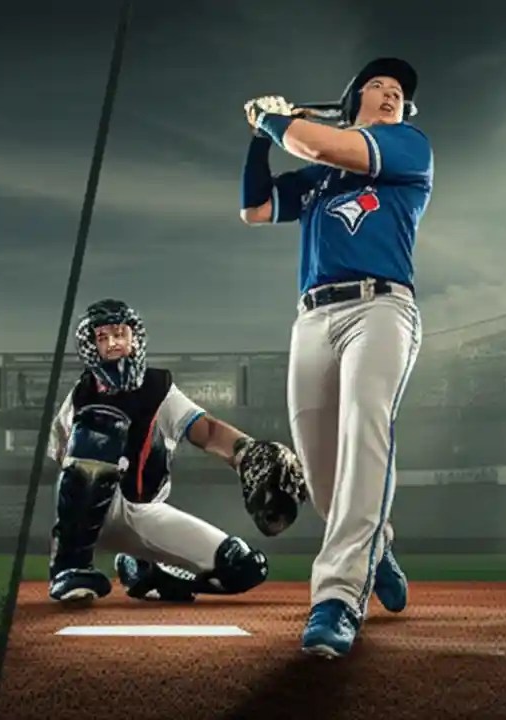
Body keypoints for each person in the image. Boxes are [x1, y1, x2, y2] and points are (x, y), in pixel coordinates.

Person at [239, 57, 432, 658]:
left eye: (397, 91)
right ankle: (378, 545)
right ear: (353, 103)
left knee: (364, 425)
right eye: (377, 87)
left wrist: (276, 121)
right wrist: (258, 138)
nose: (390, 94)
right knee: (321, 466)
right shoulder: (320, 177)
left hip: (380, 308)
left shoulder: (406, 145)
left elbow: (319, 144)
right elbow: (256, 208)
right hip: (313, 317)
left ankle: (337, 597)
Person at [46, 299, 307, 604]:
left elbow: (205, 430)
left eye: (120, 334)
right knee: (100, 427)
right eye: (103, 337)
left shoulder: (158, 388)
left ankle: (148, 571)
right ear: (93, 347)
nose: (114, 343)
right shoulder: (81, 394)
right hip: (92, 512)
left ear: (135, 338)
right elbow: (67, 466)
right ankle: (70, 565)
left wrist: (246, 452)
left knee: (245, 567)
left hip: (144, 511)